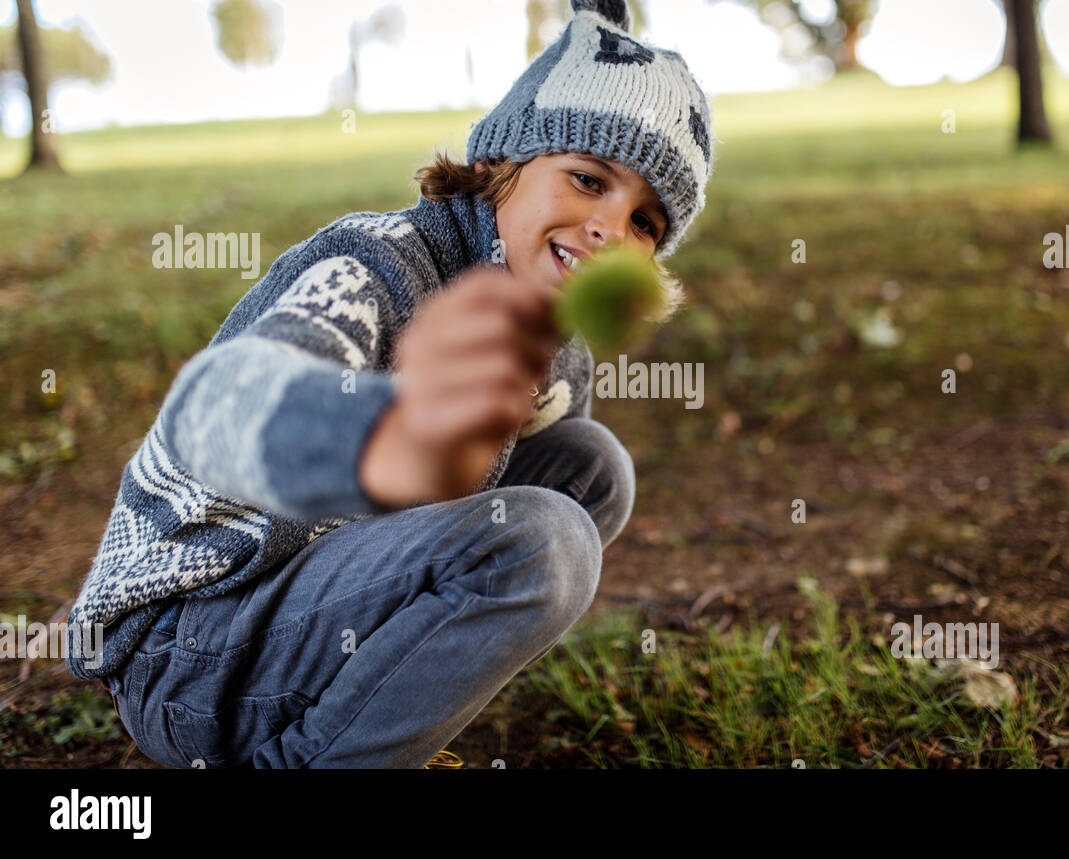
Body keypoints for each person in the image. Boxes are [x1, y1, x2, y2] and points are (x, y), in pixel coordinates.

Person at [64, 0, 716, 768]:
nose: (611, 228)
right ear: (501, 163)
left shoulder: (554, 344)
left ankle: (359, 723)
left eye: (646, 222)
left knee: (591, 467)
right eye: (585, 178)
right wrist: (384, 436)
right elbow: (221, 405)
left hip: (305, 617)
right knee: (547, 542)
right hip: (191, 648)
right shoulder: (376, 266)